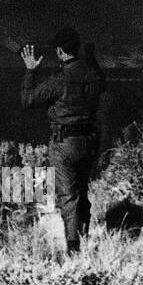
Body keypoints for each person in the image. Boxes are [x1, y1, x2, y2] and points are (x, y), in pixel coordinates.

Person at [20, 27, 106, 254]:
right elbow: (100, 81)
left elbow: (28, 100)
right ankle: (83, 238)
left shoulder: (59, 81)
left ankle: (74, 249)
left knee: (68, 197)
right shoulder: (93, 74)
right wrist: (91, 58)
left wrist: (30, 71)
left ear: (59, 51)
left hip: (64, 143)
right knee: (82, 192)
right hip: (89, 141)